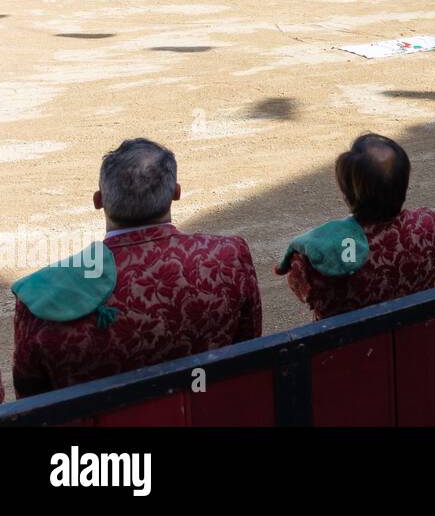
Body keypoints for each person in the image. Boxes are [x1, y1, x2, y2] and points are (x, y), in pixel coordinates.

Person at [11, 139, 262, 396]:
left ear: (99, 200)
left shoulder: (41, 298)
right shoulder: (230, 256)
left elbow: (31, 403)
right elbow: (246, 356)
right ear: (176, 193)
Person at [276, 134, 435, 319]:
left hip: (349, 346)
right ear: (404, 186)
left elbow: (301, 290)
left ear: (347, 196)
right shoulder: (426, 225)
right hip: (419, 334)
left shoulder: (315, 257)